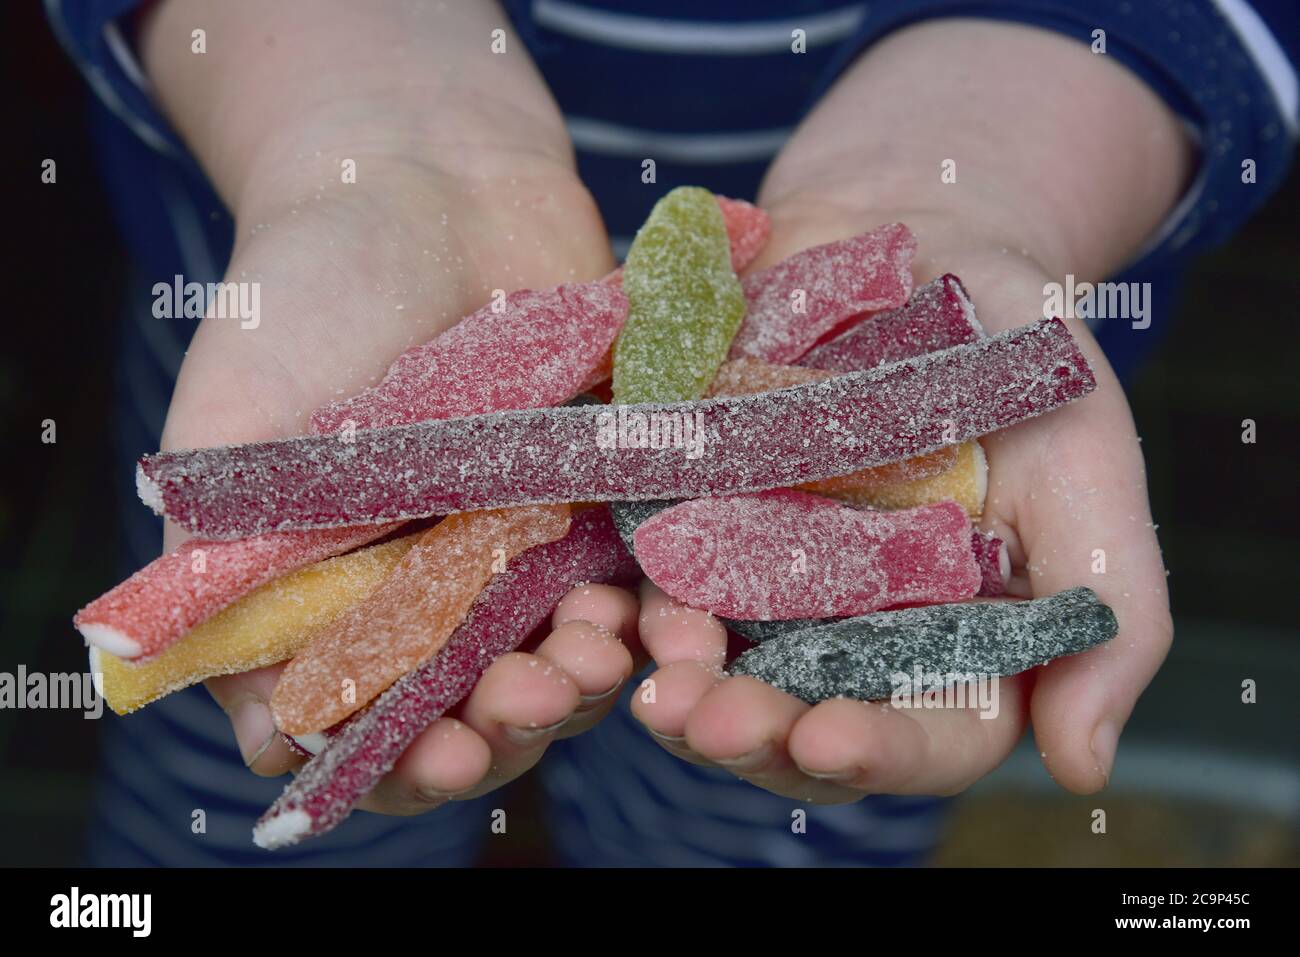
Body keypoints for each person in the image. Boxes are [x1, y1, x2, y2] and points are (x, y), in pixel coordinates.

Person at [51, 0, 1297, 866]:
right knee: (240, 751)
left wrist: (998, 183)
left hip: (971, 207)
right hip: (304, 250)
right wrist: (363, 128)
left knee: (770, 798)